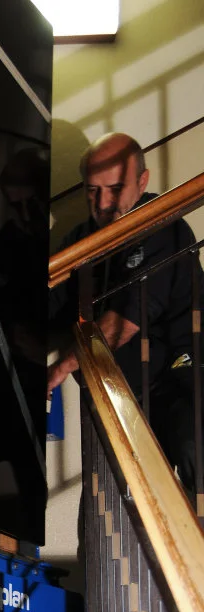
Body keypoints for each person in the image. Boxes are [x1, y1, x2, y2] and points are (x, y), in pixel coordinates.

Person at [48, 132, 202, 492]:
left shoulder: (164, 223)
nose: (103, 203)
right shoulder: (79, 241)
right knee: (117, 494)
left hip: (180, 379)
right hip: (122, 395)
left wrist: (62, 367)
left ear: (142, 181)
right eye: (92, 190)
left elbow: (126, 321)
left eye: (115, 188)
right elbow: (45, 311)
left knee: (193, 450)